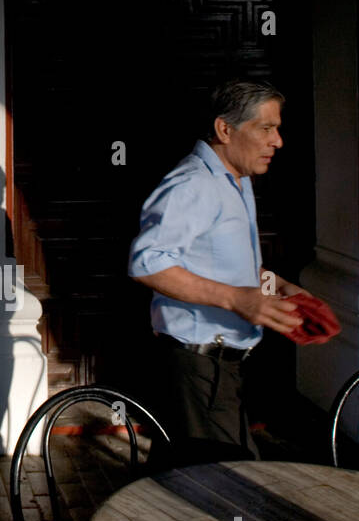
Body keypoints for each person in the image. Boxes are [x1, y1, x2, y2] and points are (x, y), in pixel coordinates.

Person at [128, 78, 307, 463]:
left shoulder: (235, 182)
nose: (277, 141)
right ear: (225, 129)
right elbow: (147, 262)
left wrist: (280, 287)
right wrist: (236, 299)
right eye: (266, 128)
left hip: (221, 371)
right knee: (228, 489)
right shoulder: (194, 184)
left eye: (277, 128)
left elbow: (229, 266)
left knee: (189, 488)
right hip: (199, 369)